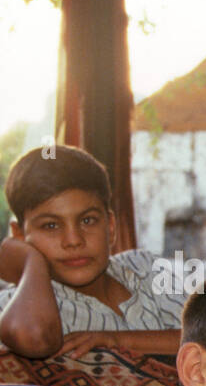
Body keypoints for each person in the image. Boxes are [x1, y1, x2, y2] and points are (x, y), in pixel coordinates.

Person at [0, 145, 183, 359]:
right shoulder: (16, 307)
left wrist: (117, 340)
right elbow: (34, 338)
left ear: (111, 226)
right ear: (19, 236)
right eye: (50, 226)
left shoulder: (143, 267)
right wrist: (31, 263)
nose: (74, 240)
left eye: (88, 220)